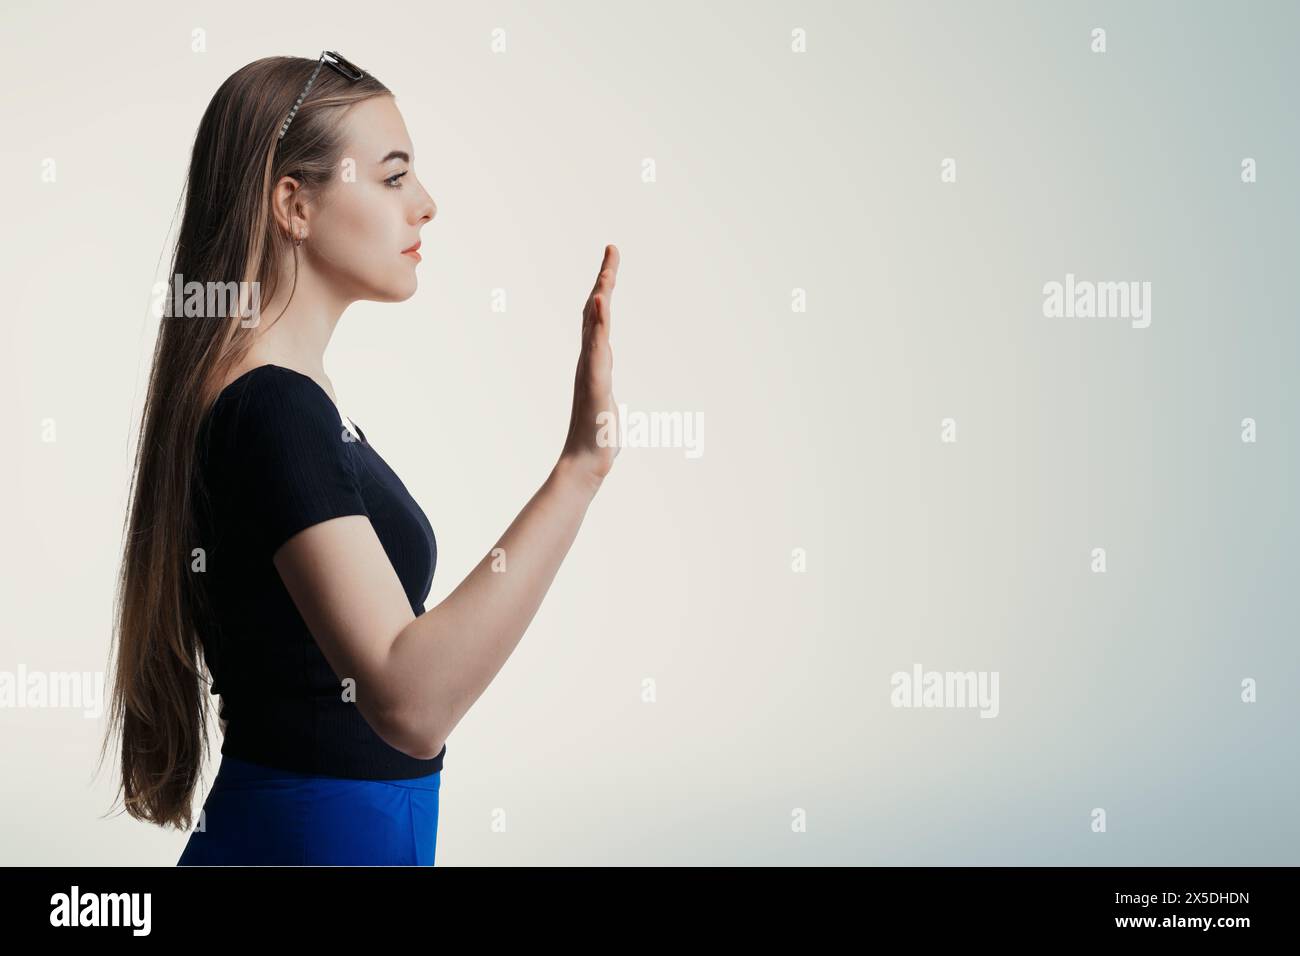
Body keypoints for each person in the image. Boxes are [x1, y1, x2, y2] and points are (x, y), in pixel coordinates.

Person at [99, 51, 621, 865]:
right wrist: (579, 470)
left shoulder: (285, 397)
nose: (426, 205)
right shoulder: (273, 408)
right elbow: (410, 703)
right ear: (293, 206)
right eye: (392, 178)